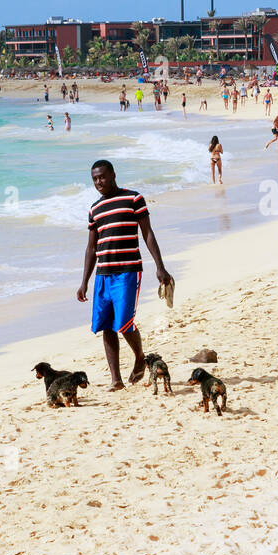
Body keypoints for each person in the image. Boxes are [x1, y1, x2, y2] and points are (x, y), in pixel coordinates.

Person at [78, 160, 173, 391]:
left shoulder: (133, 199)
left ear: (112, 175)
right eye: (94, 179)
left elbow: (148, 234)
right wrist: (84, 282)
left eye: (102, 177)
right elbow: (91, 248)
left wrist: (160, 266)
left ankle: (140, 357)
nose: (99, 182)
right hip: (103, 274)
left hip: (128, 271)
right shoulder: (94, 209)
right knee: (106, 326)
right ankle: (116, 380)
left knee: (124, 323)